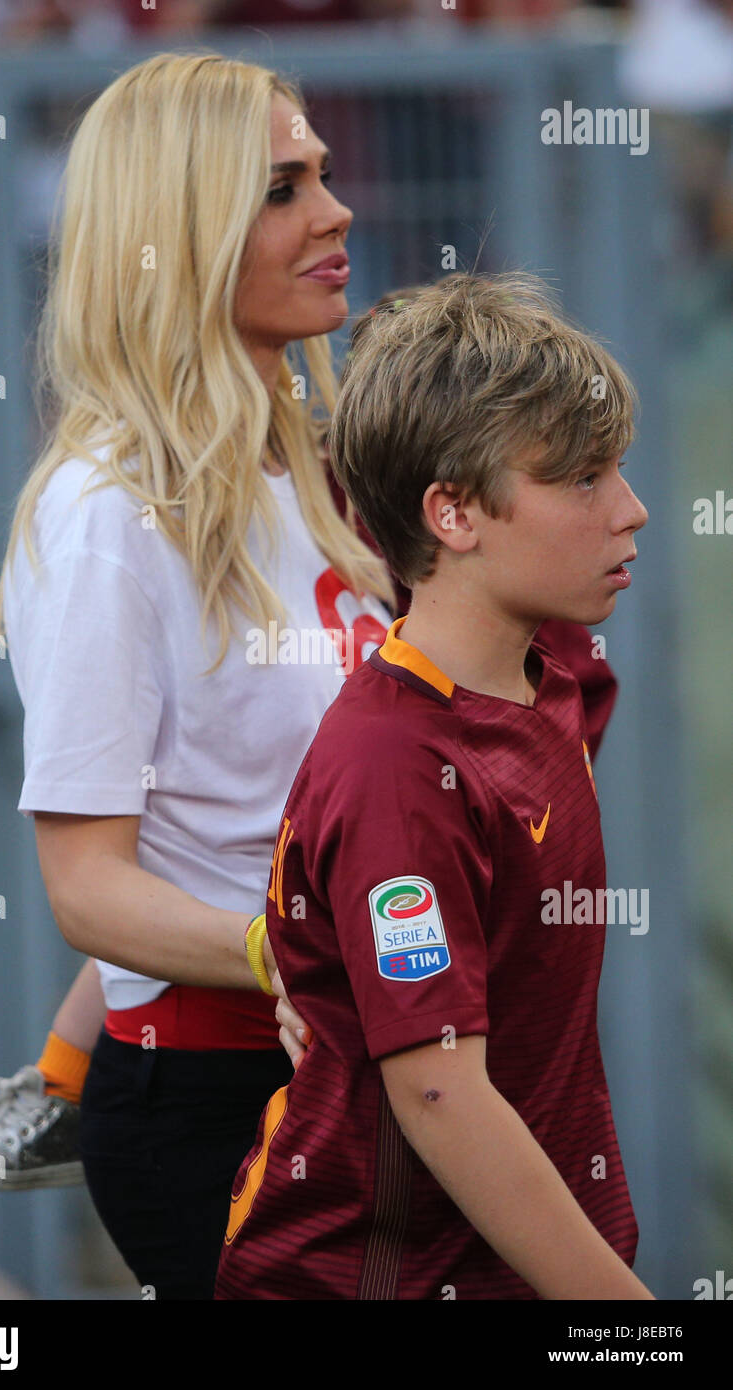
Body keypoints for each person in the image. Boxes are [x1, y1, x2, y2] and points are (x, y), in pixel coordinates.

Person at [0, 51, 399, 1301]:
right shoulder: (106, 518)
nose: (335, 209)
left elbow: (260, 818)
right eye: (278, 190)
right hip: (220, 1099)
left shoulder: (328, 467)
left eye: (321, 174)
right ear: (175, 235)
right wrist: (289, 953)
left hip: (384, 1062)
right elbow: (90, 890)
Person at [215, 270, 655, 1300]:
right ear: (451, 513)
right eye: (583, 479)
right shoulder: (397, 767)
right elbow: (439, 1093)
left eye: (619, 470)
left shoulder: (554, 671)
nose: (630, 510)